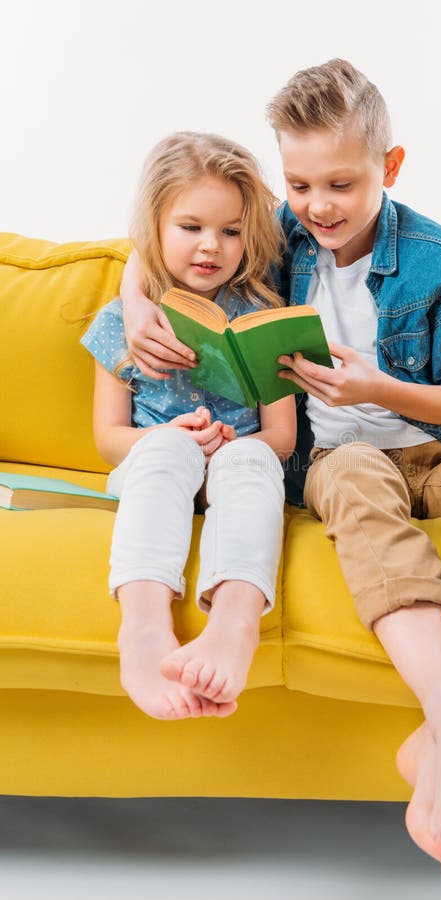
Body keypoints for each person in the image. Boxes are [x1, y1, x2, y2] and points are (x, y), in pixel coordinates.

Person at [116, 64, 441, 878]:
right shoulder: (270, 240)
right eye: (297, 184)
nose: (317, 205)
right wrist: (140, 302)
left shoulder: (440, 261)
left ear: (388, 169)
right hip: (337, 460)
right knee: (357, 465)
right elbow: (163, 232)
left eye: (340, 183)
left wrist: (380, 388)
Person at [81, 132, 296, 724]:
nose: (212, 246)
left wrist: (232, 443)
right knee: (168, 450)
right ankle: (145, 631)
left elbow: (280, 438)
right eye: (191, 227)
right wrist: (170, 438)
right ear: (153, 227)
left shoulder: (259, 312)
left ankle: (234, 624)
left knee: (249, 463)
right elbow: (108, 440)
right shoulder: (121, 322)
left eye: (231, 231)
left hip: (237, 466)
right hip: (155, 467)